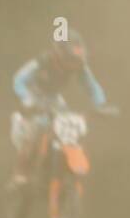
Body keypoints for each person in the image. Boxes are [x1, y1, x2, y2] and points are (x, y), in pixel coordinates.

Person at [9, 30, 110, 184]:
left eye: (77, 60)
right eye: (70, 59)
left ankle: (63, 164)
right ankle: (20, 174)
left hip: (54, 100)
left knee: (70, 126)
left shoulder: (78, 66)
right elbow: (19, 80)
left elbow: (92, 86)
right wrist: (26, 99)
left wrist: (101, 105)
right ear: (58, 54)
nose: (74, 64)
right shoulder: (43, 61)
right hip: (33, 97)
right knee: (34, 130)